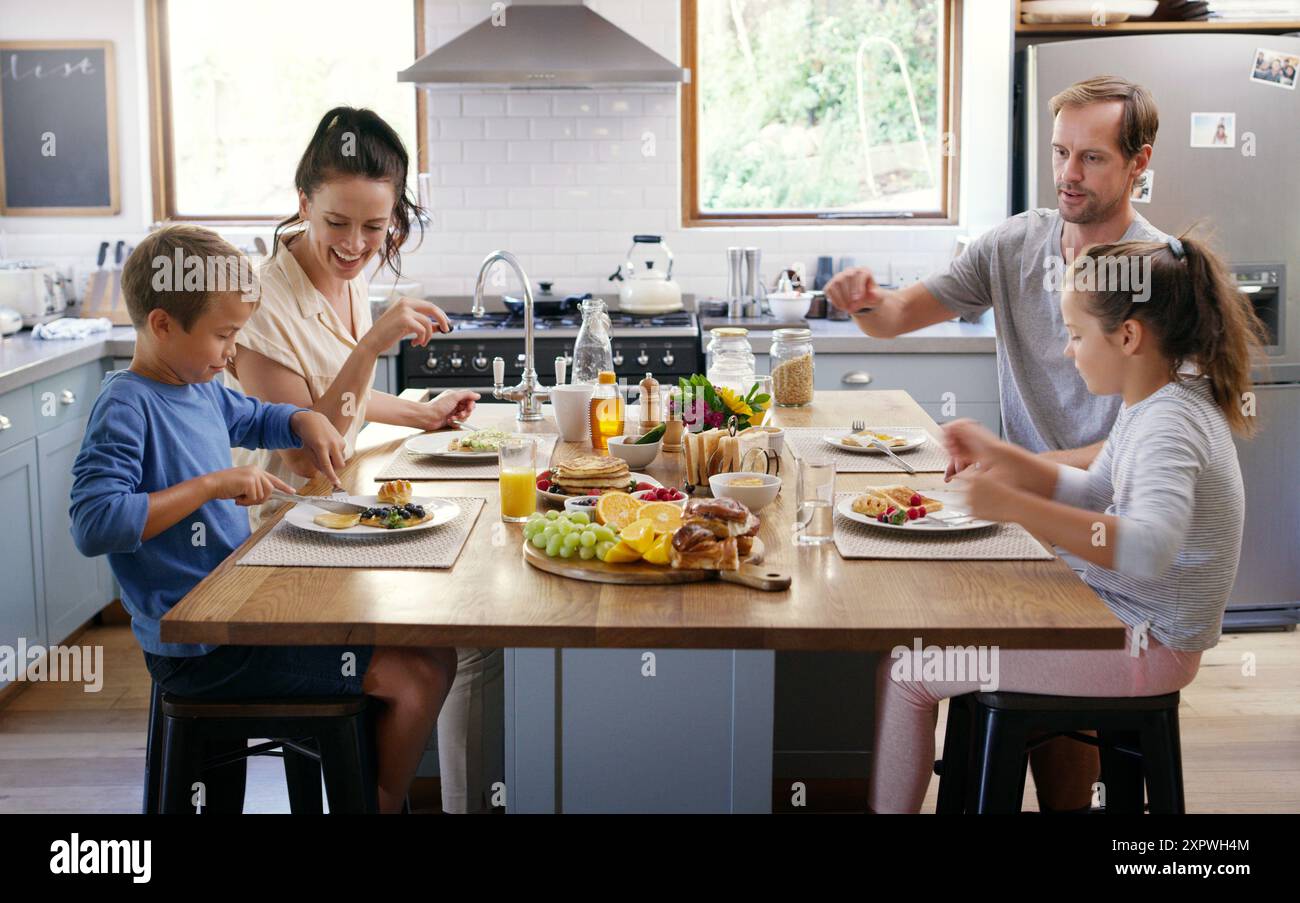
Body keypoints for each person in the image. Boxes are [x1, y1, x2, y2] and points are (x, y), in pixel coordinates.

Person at [826, 75, 1170, 809]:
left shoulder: (1165, 278)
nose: (1069, 175)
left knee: (1011, 689)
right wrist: (863, 301)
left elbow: (1136, 459)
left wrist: (1017, 475)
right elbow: (895, 317)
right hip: (1023, 529)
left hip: (1104, 541)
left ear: (1140, 161)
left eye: (1093, 158)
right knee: (926, 631)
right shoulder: (1016, 243)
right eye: (1059, 153)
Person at [870, 232, 1267, 813]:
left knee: (908, 668)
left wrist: (1018, 508)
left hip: (1147, 647)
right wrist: (1002, 456)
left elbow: (1149, 549)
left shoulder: (1169, 424)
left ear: (1128, 336)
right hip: (1122, 620)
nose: (1067, 351)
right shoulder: (1154, 401)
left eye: (1077, 336)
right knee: (946, 618)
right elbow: (1095, 490)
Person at [70, 224, 457, 813]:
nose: (232, 353)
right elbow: (94, 524)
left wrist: (302, 421)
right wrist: (212, 485)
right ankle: (371, 804)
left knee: (396, 631)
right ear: (162, 325)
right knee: (420, 671)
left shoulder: (197, 386)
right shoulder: (126, 406)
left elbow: (257, 416)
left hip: (234, 616)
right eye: (224, 335)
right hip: (201, 652)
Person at [226, 106, 496, 814]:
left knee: (464, 620)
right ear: (303, 203)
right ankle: (371, 802)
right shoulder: (260, 301)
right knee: (437, 654)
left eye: (374, 228)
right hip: (285, 548)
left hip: (344, 527)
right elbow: (307, 445)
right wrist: (375, 344)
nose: (355, 244)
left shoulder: (346, 276)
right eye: (338, 223)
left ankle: (371, 792)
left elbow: (341, 396)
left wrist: (421, 411)